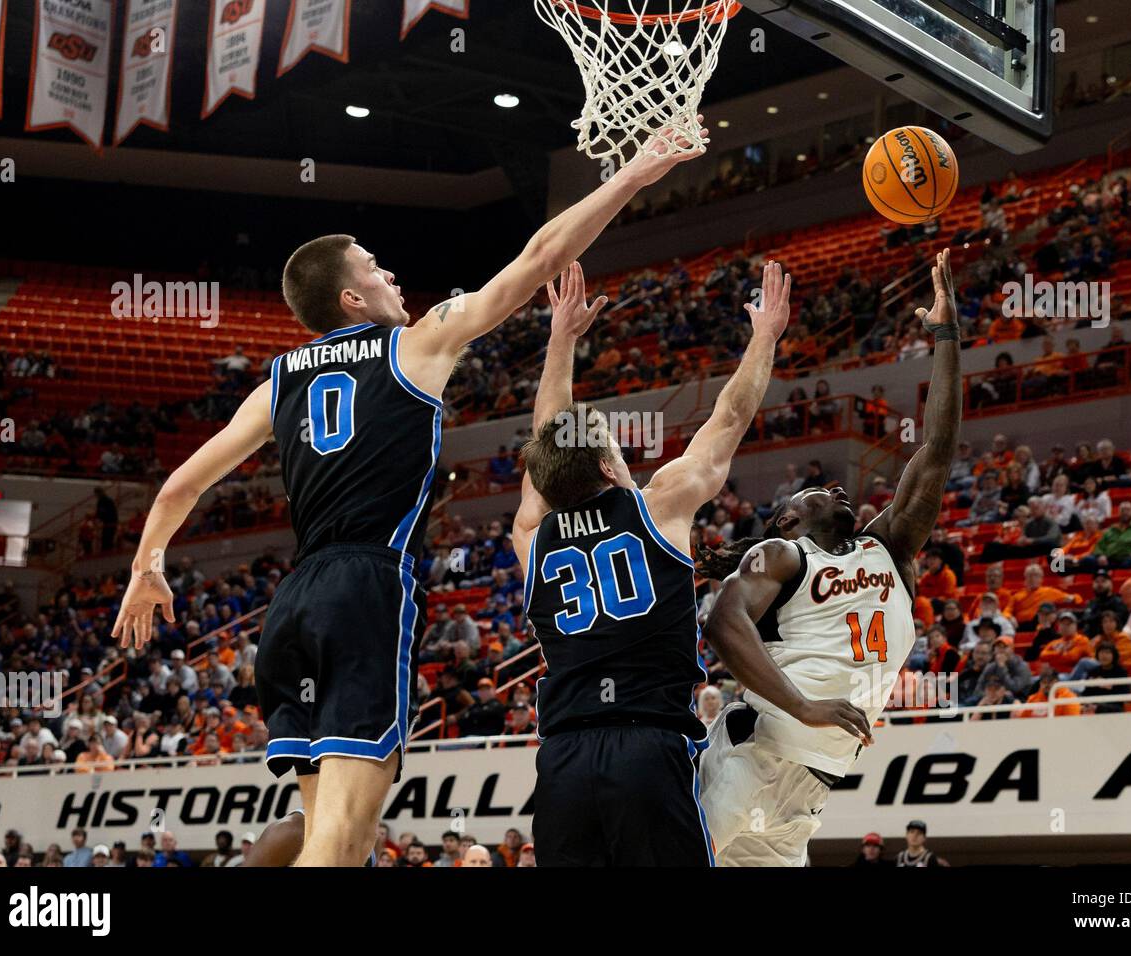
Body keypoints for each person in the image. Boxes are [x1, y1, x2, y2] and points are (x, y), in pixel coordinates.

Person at [108, 133, 704, 867]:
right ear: (352, 297)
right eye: (375, 267)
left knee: (336, 829)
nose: (393, 274)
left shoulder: (280, 381)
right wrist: (636, 174)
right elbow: (541, 258)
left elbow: (179, 487)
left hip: (293, 603)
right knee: (337, 839)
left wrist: (148, 565)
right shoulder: (415, 345)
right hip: (367, 586)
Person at [510, 255, 792, 867]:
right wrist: (764, 336)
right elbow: (730, 418)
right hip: (647, 748)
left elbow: (548, 440)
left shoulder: (530, 535)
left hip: (561, 760)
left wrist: (560, 341)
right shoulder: (658, 507)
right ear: (611, 468)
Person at [697, 250, 962, 867]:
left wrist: (946, 335)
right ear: (788, 517)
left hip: (809, 788)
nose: (837, 488)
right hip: (753, 755)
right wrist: (805, 706)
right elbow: (722, 623)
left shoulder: (888, 549)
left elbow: (938, 449)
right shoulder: (783, 555)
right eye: (818, 490)